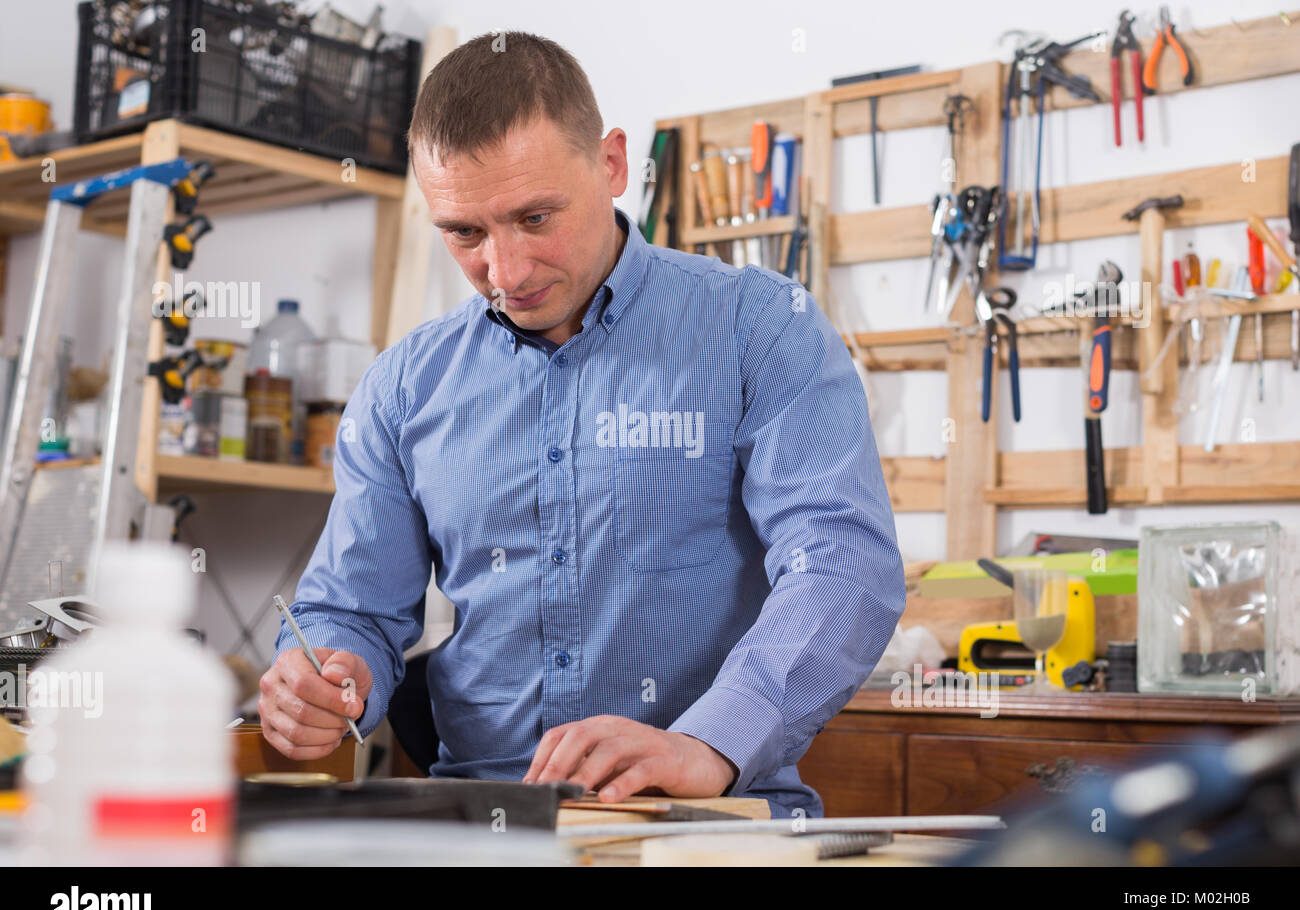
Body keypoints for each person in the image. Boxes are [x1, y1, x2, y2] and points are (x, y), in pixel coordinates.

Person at [257, 31, 904, 818]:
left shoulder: (760, 330)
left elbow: (840, 564)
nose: (507, 271)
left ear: (612, 164)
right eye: (465, 233)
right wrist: (325, 676)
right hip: (482, 826)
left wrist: (708, 744)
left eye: (534, 217)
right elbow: (353, 610)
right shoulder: (402, 388)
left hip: (703, 824)